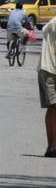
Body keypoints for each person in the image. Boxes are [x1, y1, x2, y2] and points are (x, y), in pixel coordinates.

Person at [38, 15, 56, 157]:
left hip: (49, 69)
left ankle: (52, 147)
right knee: (53, 107)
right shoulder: (53, 23)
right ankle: (52, 146)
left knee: (53, 108)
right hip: (49, 69)